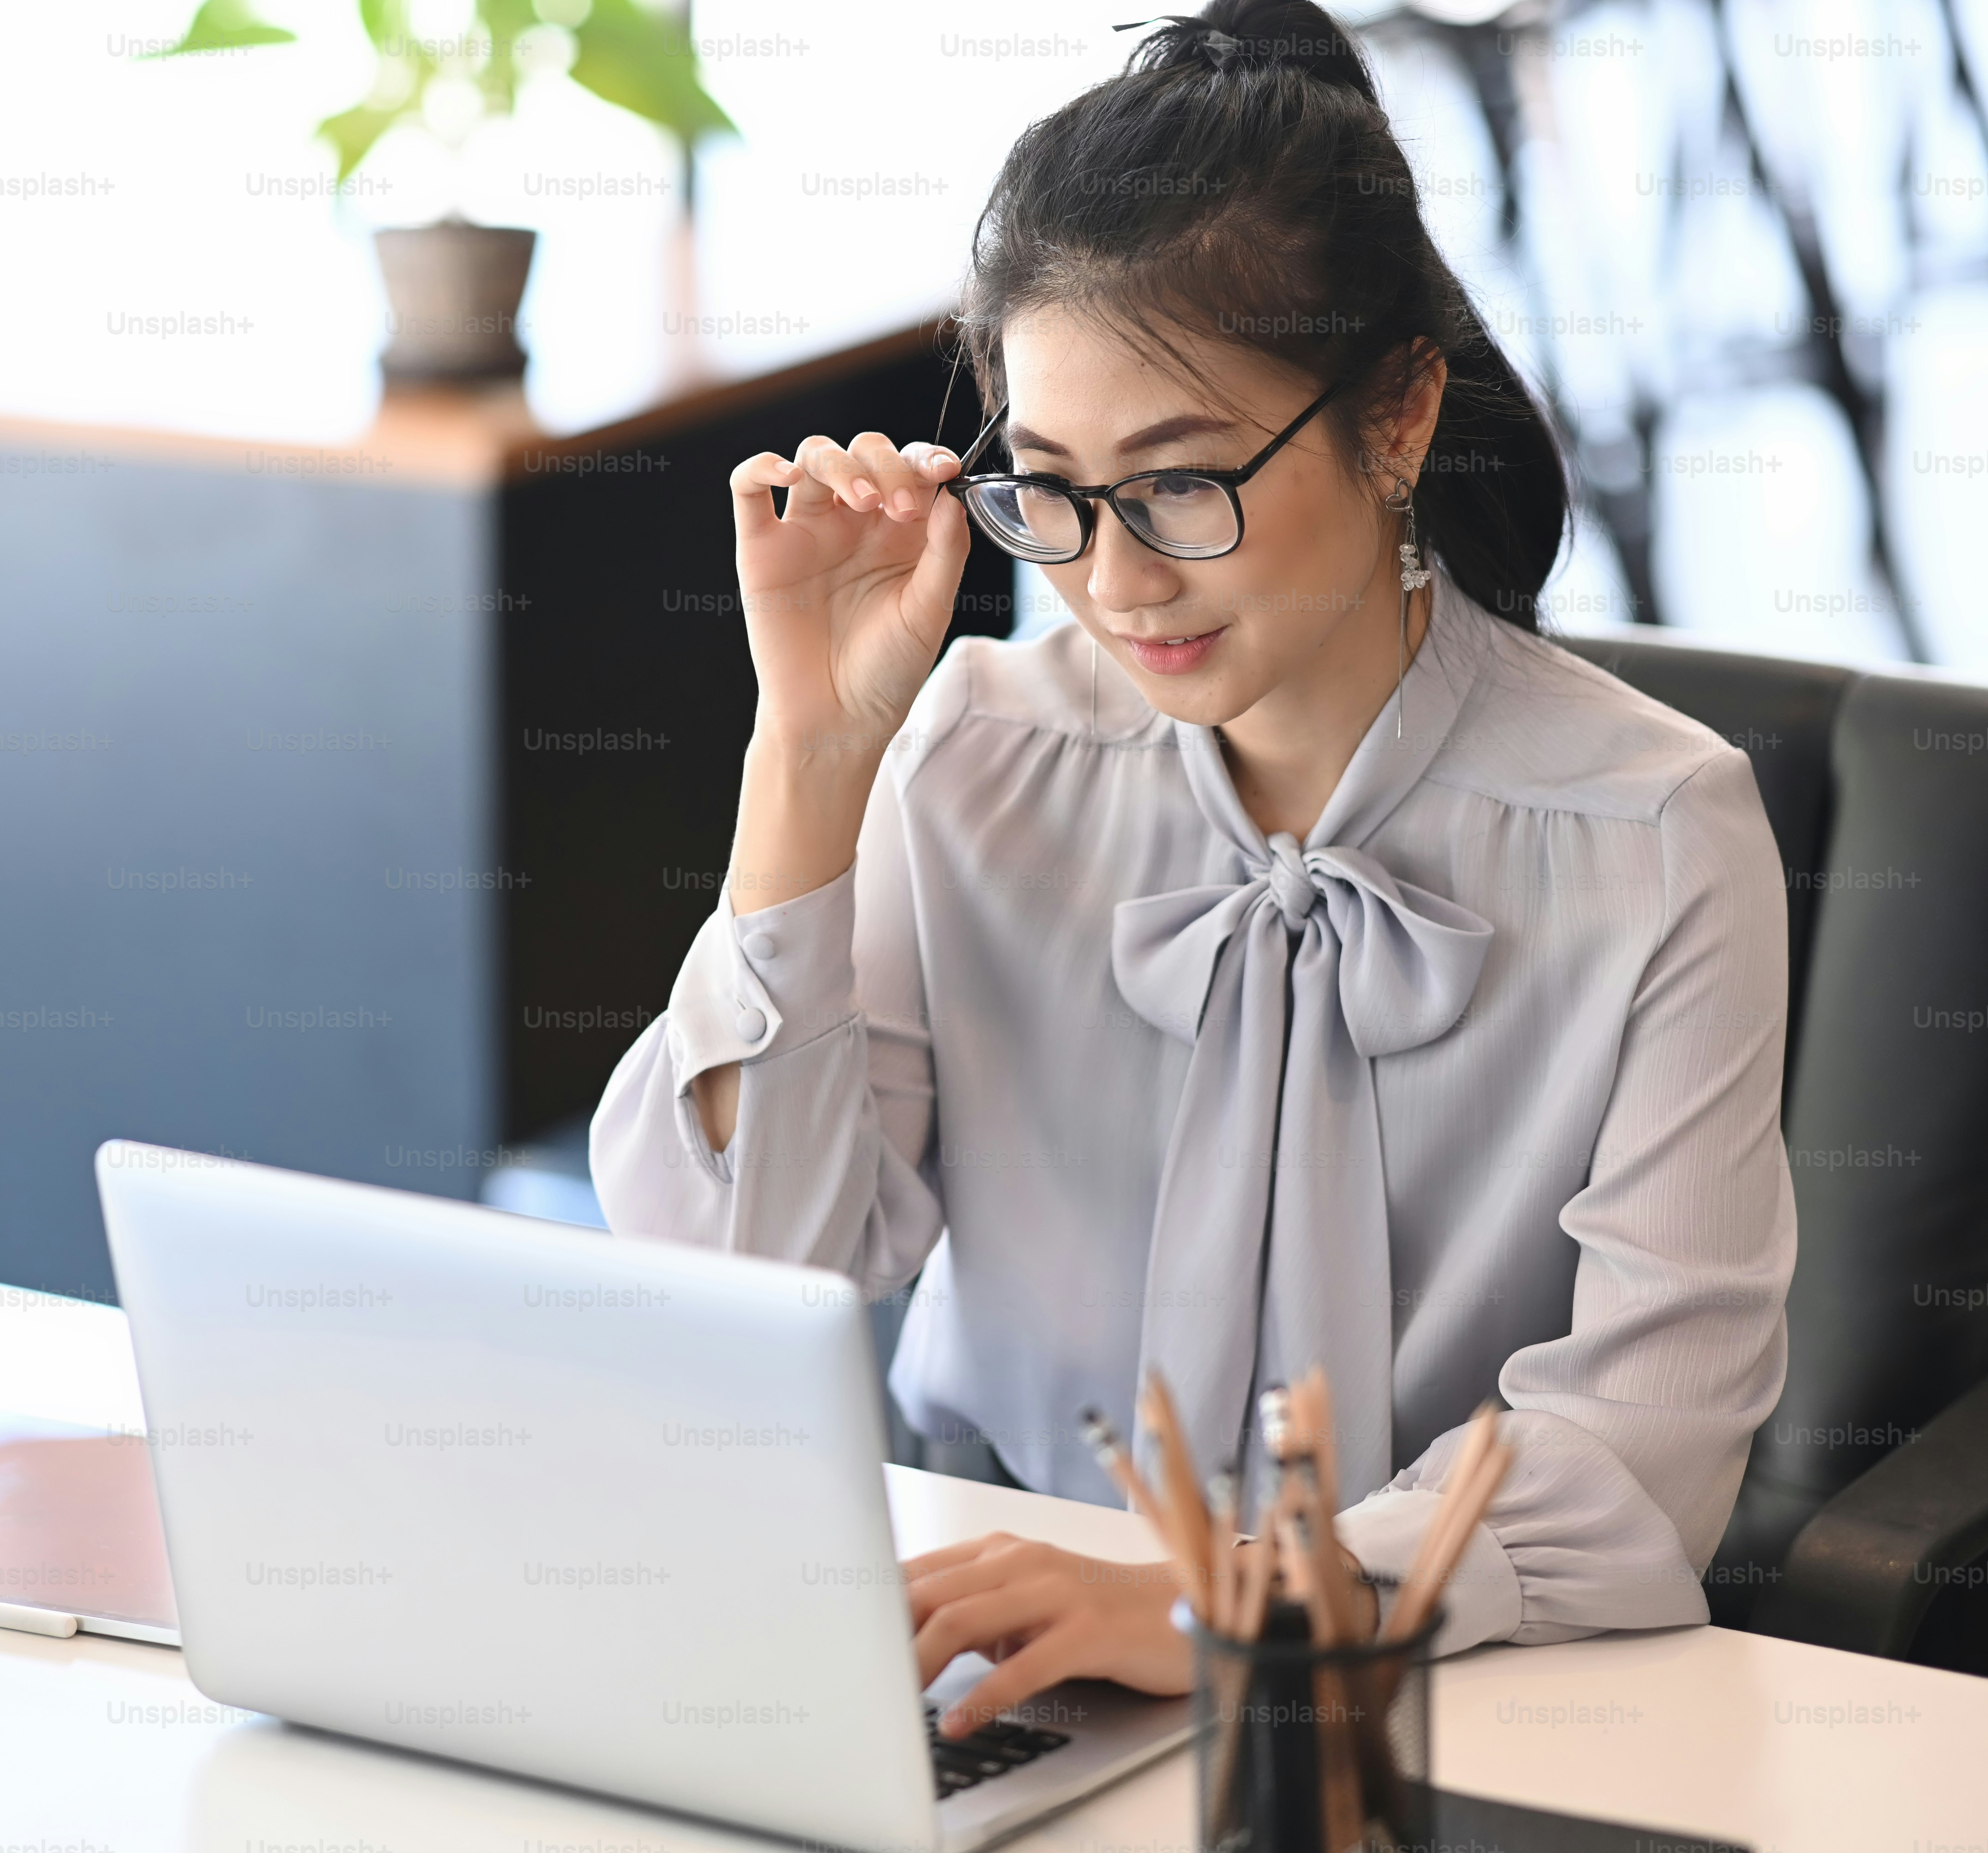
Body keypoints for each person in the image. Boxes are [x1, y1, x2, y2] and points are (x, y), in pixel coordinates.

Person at [588, 0, 1796, 1733]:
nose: (1117, 580)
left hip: (1413, 1688)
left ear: (1395, 416)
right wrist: (809, 759)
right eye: (1055, 493)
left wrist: (1227, 1605)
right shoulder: (983, 748)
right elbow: (748, 1265)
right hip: (992, 1639)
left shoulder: (1658, 834)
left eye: (1178, 487)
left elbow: (1638, 1452)